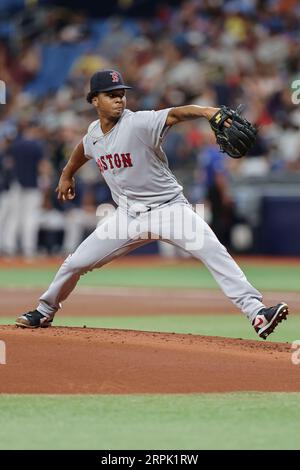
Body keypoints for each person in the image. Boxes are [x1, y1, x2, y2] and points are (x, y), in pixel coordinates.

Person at [15, 69, 289, 340]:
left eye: (121, 94)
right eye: (111, 95)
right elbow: (83, 149)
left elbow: (176, 114)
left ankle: (257, 313)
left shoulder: (139, 123)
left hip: (169, 210)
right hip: (127, 217)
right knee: (75, 263)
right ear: (94, 100)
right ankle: (44, 310)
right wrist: (66, 174)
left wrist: (208, 111)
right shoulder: (93, 134)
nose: (119, 100)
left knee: (214, 252)